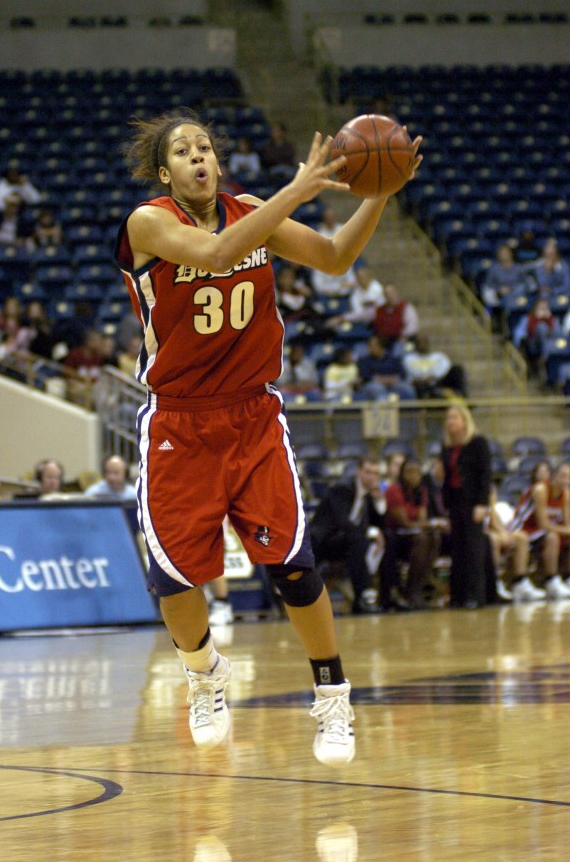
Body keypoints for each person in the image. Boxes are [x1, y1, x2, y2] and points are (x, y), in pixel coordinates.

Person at [113, 109, 421, 766]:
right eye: (182, 151)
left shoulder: (250, 210)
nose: (198, 157)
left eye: (204, 147)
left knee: (293, 565)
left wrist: (379, 193)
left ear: (218, 162)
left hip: (252, 414)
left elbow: (335, 258)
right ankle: (204, 675)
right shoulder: (149, 223)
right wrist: (298, 190)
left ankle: (332, 693)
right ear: (164, 172)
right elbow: (217, 253)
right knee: (174, 578)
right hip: (178, 422)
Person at [309, 455, 387, 615]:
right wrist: (371, 533)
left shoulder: (368, 494)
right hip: (322, 543)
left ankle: (386, 597)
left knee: (388, 539)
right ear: (359, 472)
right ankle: (363, 596)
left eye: (376, 473)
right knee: (357, 540)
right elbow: (342, 522)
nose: (372, 477)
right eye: (368, 472)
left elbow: (379, 524)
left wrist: (379, 500)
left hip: (346, 542)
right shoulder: (342, 489)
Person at [440, 403, 492, 609]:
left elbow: (485, 475)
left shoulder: (478, 443)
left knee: (473, 549)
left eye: (455, 417)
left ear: (464, 421)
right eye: (448, 418)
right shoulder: (447, 446)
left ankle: (475, 595)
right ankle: (458, 596)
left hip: (473, 501)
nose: (450, 422)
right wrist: (445, 507)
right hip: (455, 501)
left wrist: (482, 504)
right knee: (458, 548)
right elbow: (447, 478)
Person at [509, 461, 570, 599]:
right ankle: (551, 580)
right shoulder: (541, 489)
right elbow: (543, 523)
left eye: (569, 477)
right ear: (553, 476)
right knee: (552, 537)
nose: (565, 480)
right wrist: (569, 531)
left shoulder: (566, 493)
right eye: (562, 476)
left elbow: (567, 523)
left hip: (542, 531)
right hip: (523, 527)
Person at [384, 457, 444, 610]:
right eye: (409, 472)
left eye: (416, 473)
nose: (413, 476)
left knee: (434, 537)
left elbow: (422, 519)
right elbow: (403, 522)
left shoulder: (421, 491)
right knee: (423, 538)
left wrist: (426, 525)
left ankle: (417, 585)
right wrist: (425, 524)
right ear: (402, 474)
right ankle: (410, 590)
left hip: (415, 536)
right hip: (396, 537)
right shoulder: (394, 490)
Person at [485, 486, 545, 603]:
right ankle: (495, 581)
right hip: (476, 536)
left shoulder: (489, 495)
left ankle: (519, 581)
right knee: (493, 539)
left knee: (521, 538)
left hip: (491, 532)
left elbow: (493, 518)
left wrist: (503, 533)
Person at [402, 332, 468, 399]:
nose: (421, 344)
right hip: (421, 384)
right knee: (419, 384)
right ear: (415, 344)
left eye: (423, 341)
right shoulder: (409, 359)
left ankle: (462, 396)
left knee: (457, 369)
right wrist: (425, 378)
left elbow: (446, 370)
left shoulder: (440, 356)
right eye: (419, 342)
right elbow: (412, 373)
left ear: (428, 342)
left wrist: (434, 376)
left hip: (439, 382)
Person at [481, 242, 526, 334]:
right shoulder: (494, 269)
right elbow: (489, 284)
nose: (504, 255)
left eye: (506, 253)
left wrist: (511, 289)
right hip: (499, 295)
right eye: (501, 253)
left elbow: (524, 282)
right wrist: (499, 289)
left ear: (511, 254)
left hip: (516, 294)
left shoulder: (518, 268)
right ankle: (500, 325)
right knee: (490, 295)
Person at [355, 334, 416, 401]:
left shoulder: (393, 359)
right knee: (378, 389)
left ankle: (412, 407)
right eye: (369, 346)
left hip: (393, 383)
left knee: (408, 389)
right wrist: (382, 380)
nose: (369, 348)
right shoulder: (364, 360)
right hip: (373, 384)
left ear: (381, 346)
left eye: (372, 346)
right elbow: (365, 375)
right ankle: (384, 408)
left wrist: (393, 379)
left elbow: (402, 373)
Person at [372, 282, 419, 348]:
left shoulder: (406, 308)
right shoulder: (379, 310)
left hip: (402, 339)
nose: (389, 296)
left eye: (391, 293)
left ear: (396, 293)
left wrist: (403, 336)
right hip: (384, 341)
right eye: (387, 294)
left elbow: (412, 326)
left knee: (399, 348)